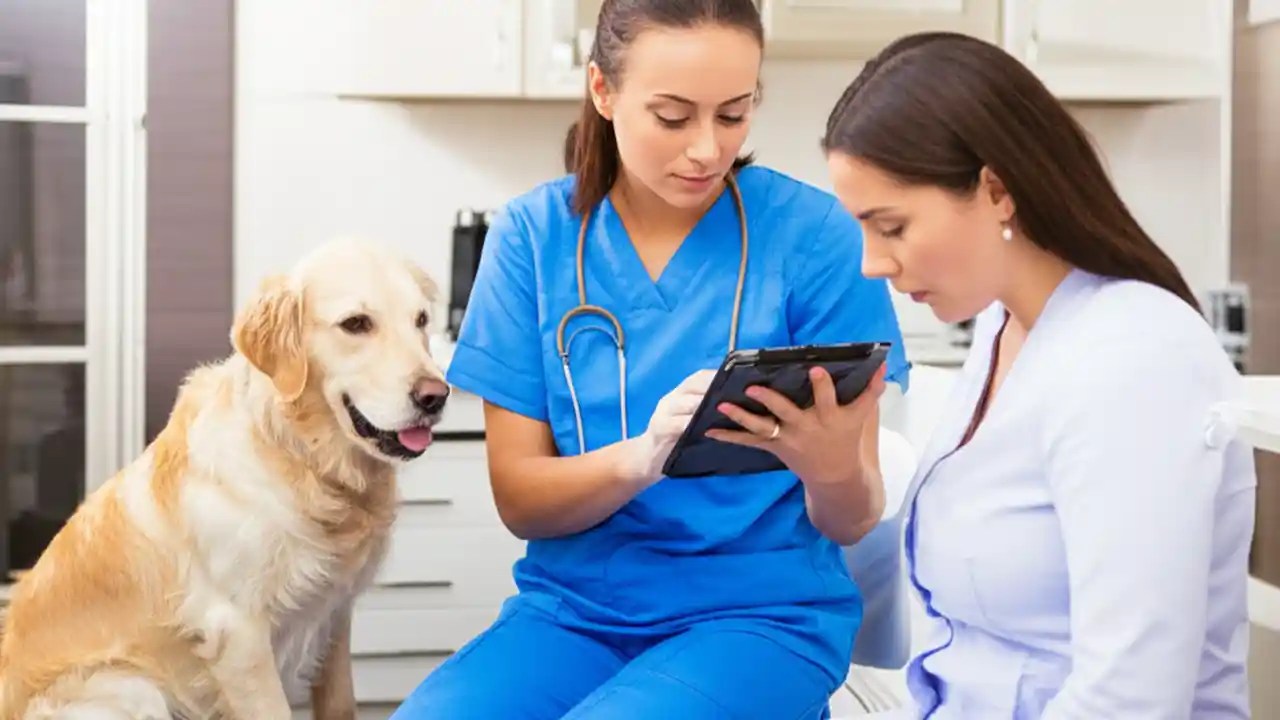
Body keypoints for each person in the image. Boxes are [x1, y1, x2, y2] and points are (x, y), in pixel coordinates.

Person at [389, 1, 910, 718]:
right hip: (574, 614)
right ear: (603, 91)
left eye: (734, 114)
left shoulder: (815, 237)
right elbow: (520, 499)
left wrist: (830, 468)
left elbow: (854, 518)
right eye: (673, 117)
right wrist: (644, 457)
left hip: (760, 618)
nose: (706, 149)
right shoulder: (532, 238)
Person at [817, 31, 1258, 718]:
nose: (872, 263)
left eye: (892, 227)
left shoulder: (1135, 358)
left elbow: (1130, 697)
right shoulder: (1007, 327)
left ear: (996, 189)